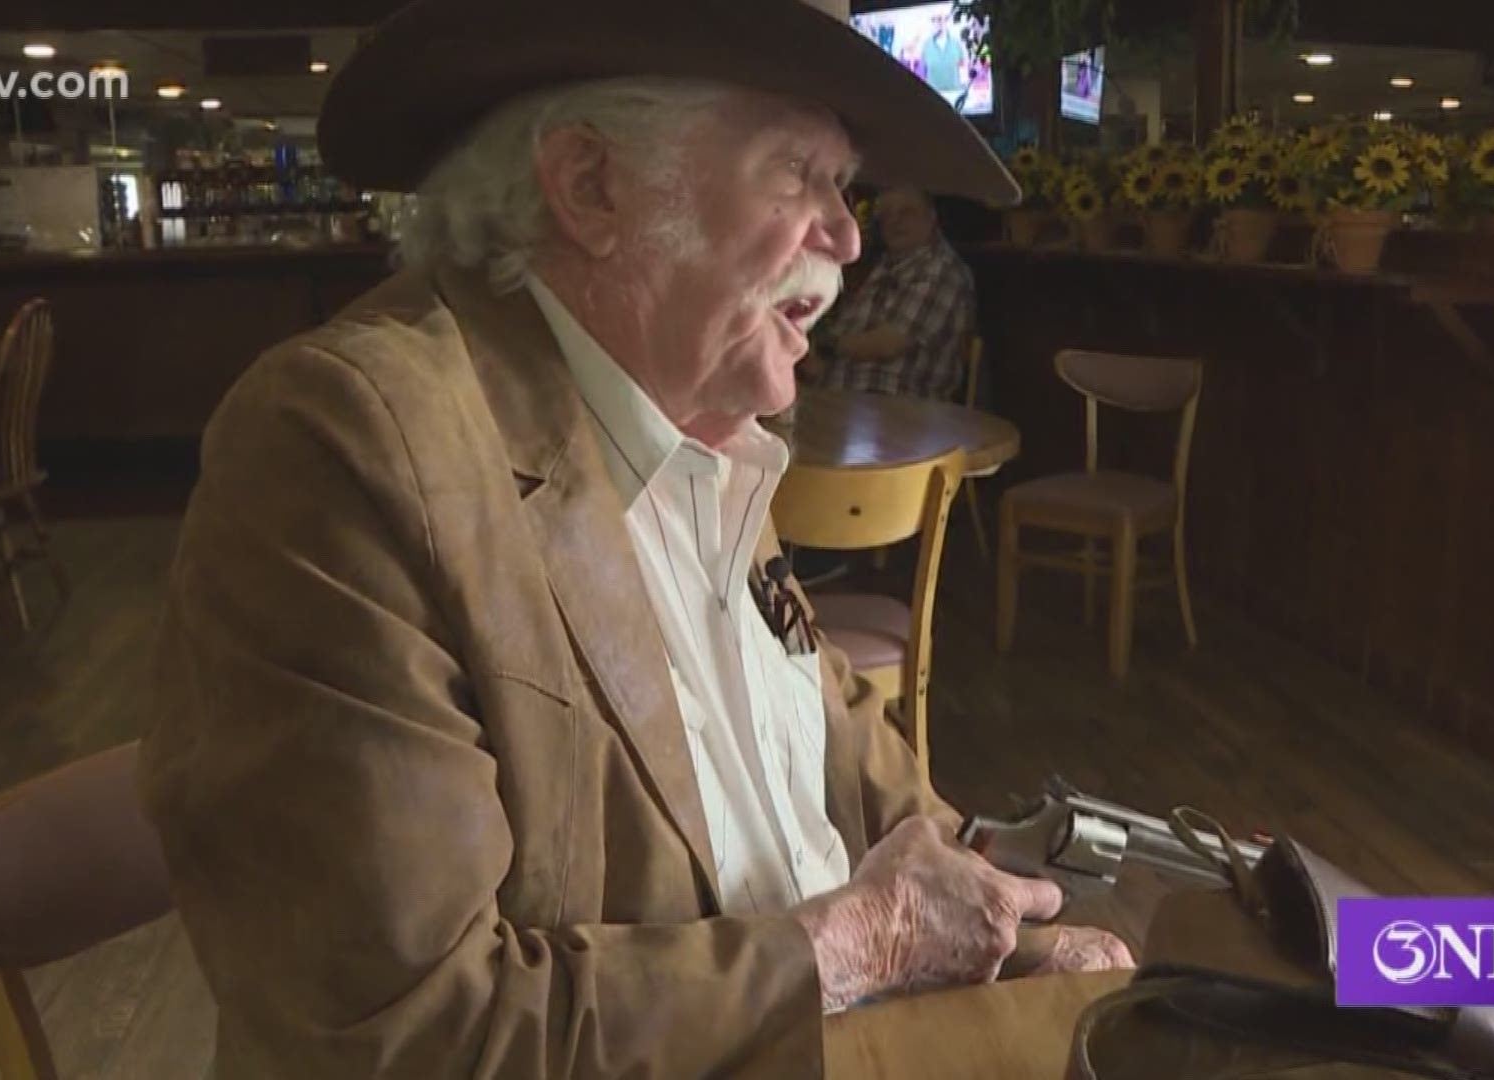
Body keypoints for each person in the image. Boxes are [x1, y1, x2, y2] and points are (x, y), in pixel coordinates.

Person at [135, 0, 1133, 1078]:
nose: (845, 233)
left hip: (858, 1046)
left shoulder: (693, 422)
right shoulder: (346, 444)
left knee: (1307, 977)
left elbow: (837, 747)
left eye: (844, 188)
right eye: (798, 172)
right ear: (591, 187)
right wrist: (862, 942)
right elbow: (404, 1038)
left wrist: (1014, 929)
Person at [807, 184, 978, 402]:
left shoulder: (940, 268)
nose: (894, 222)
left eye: (906, 212)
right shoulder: (887, 265)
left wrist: (825, 344)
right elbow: (845, 342)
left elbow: (887, 344)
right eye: (886, 216)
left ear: (932, 217)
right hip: (849, 403)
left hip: (901, 411)